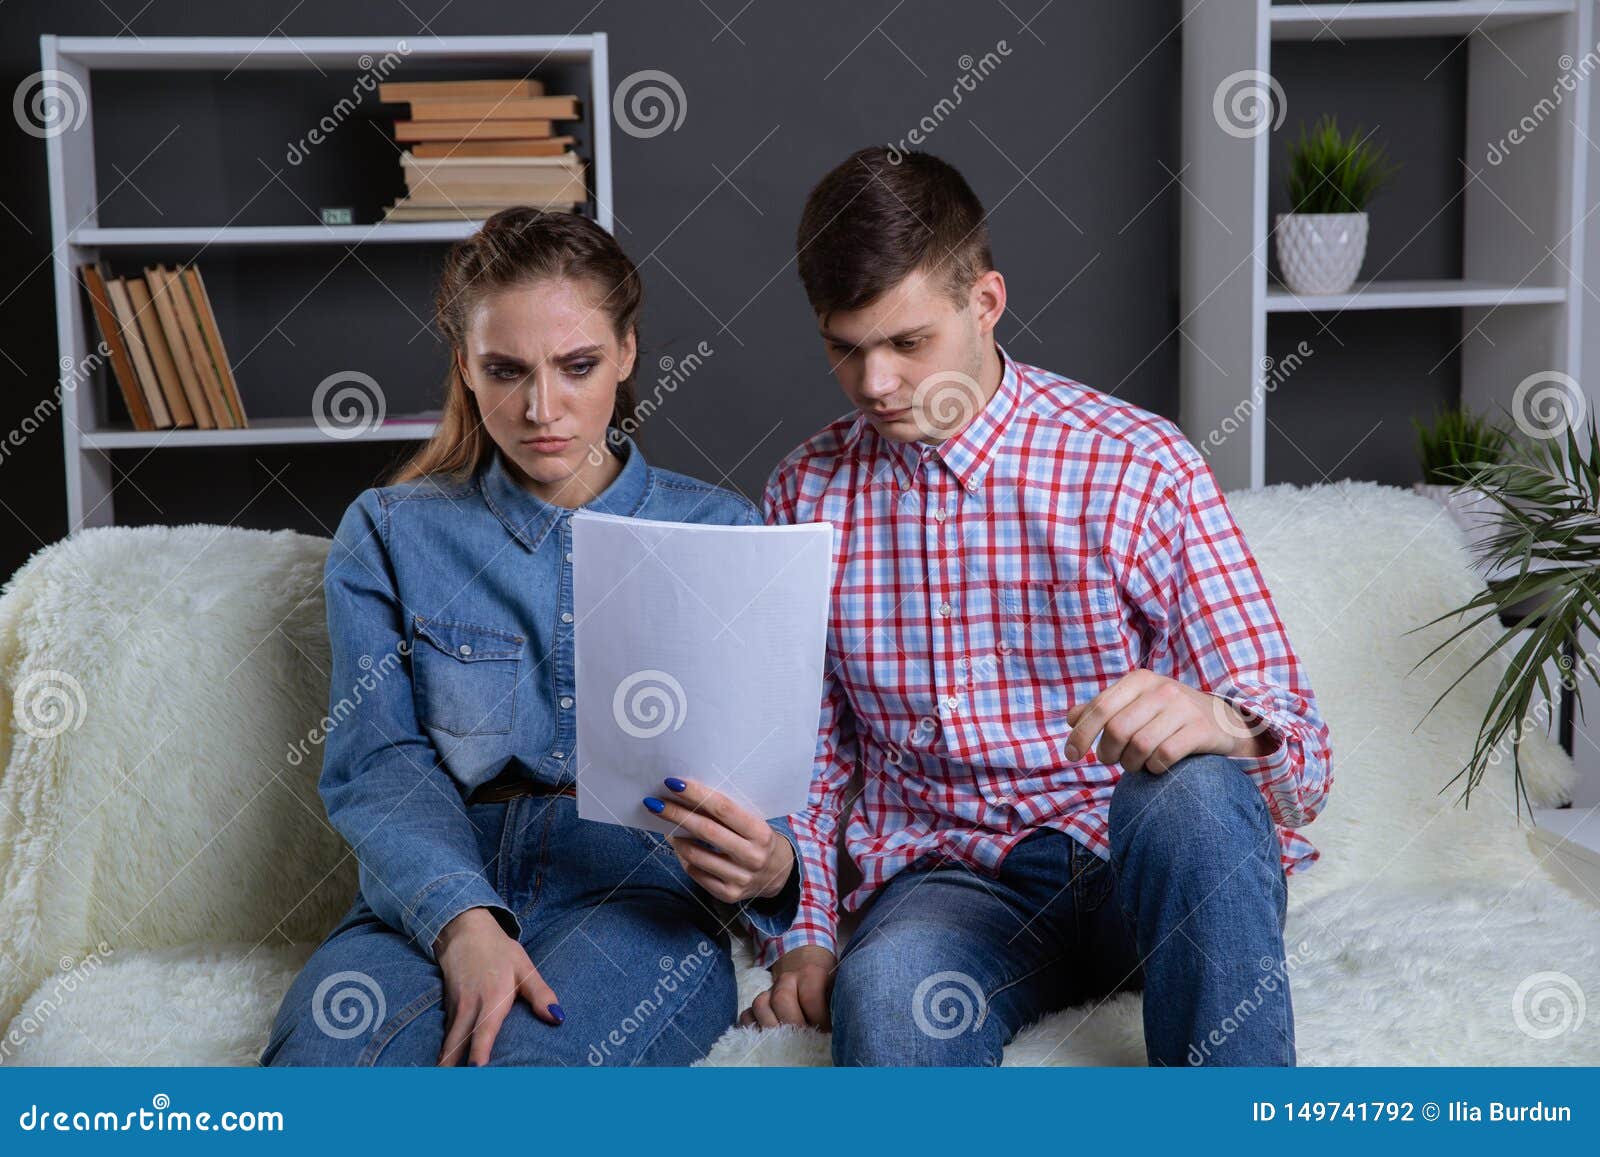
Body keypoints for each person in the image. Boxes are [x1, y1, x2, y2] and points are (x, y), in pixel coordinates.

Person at [740, 147, 1332, 1067]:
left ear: (985, 301)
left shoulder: (1139, 462)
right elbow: (807, 763)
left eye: (907, 343)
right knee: (888, 998)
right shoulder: (804, 494)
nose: (875, 386)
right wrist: (806, 935)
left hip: (1144, 866)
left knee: (1198, 797)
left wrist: (1218, 718)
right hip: (952, 889)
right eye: (845, 348)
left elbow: (1305, 753)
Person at [261, 207, 801, 1067]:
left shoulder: (725, 532)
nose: (541, 408)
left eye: (578, 366)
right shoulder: (393, 531)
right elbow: (379, 762)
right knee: (322, 1068)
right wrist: (461, 919)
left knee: (527, 1080)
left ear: (626, 355)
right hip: (439, 871)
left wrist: (776, 869)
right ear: (465, 368)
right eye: (505, 370)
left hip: (637, 892)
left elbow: (771, 782)